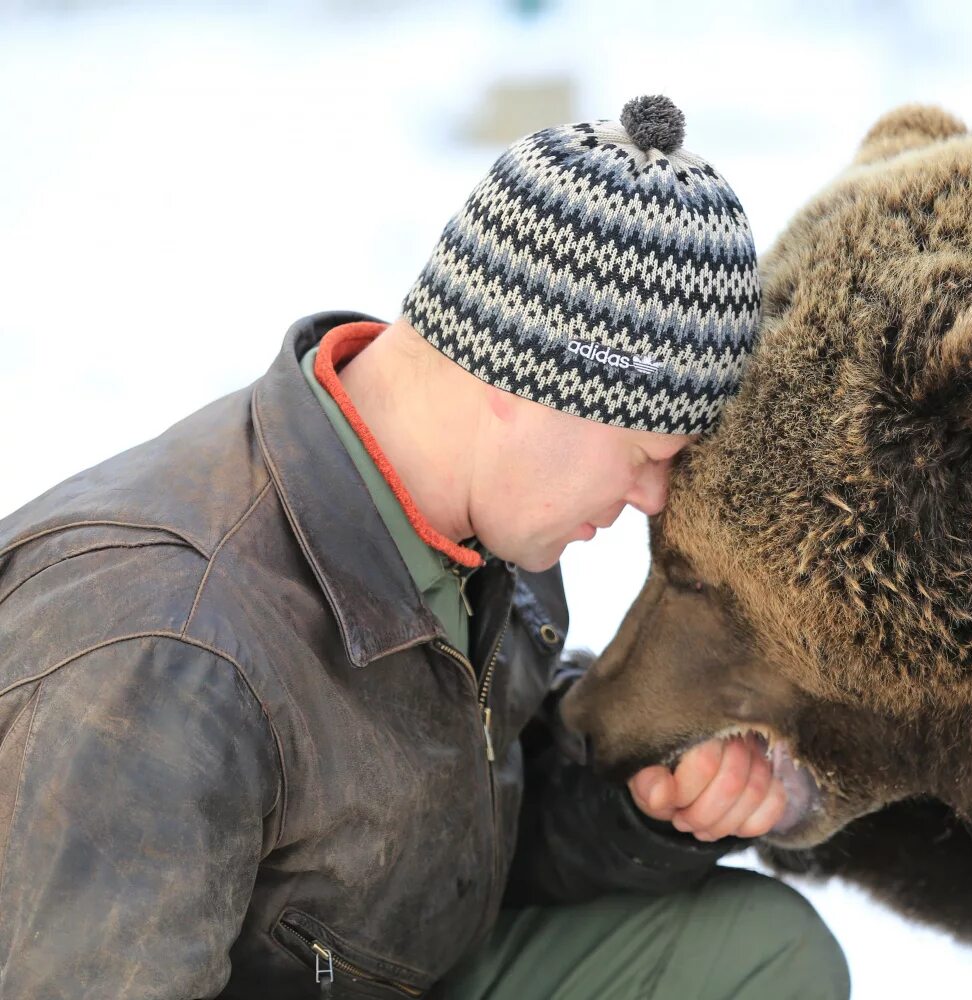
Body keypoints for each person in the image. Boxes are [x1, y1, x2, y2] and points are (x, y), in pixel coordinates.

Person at [0, 95, 849, 999]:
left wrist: (641, 805)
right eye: (648, 456)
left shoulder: (475, 518)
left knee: (762, 954)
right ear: (531, 378)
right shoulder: (167, 655)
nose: (650, 499)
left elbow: (442, 814)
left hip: (412, 969)